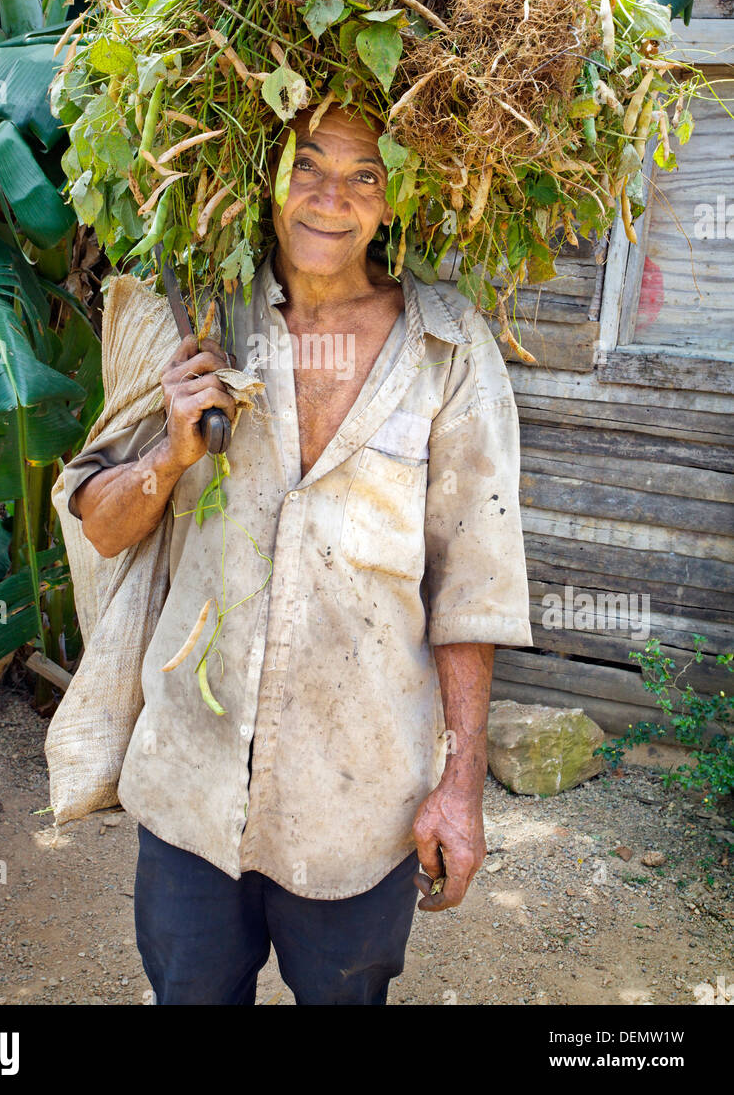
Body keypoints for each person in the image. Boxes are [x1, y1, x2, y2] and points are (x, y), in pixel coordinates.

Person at [63, 103, 533, 1006]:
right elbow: (101, 522)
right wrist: (168, 453)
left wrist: (460, 787)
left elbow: (474, 581)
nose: (330, 199)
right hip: (191, 789)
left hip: (359, 798)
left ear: (395, 202)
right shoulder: (197, 316)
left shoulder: (447, 348)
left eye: (365, 176)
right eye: (306, 166)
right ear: (265, 179)